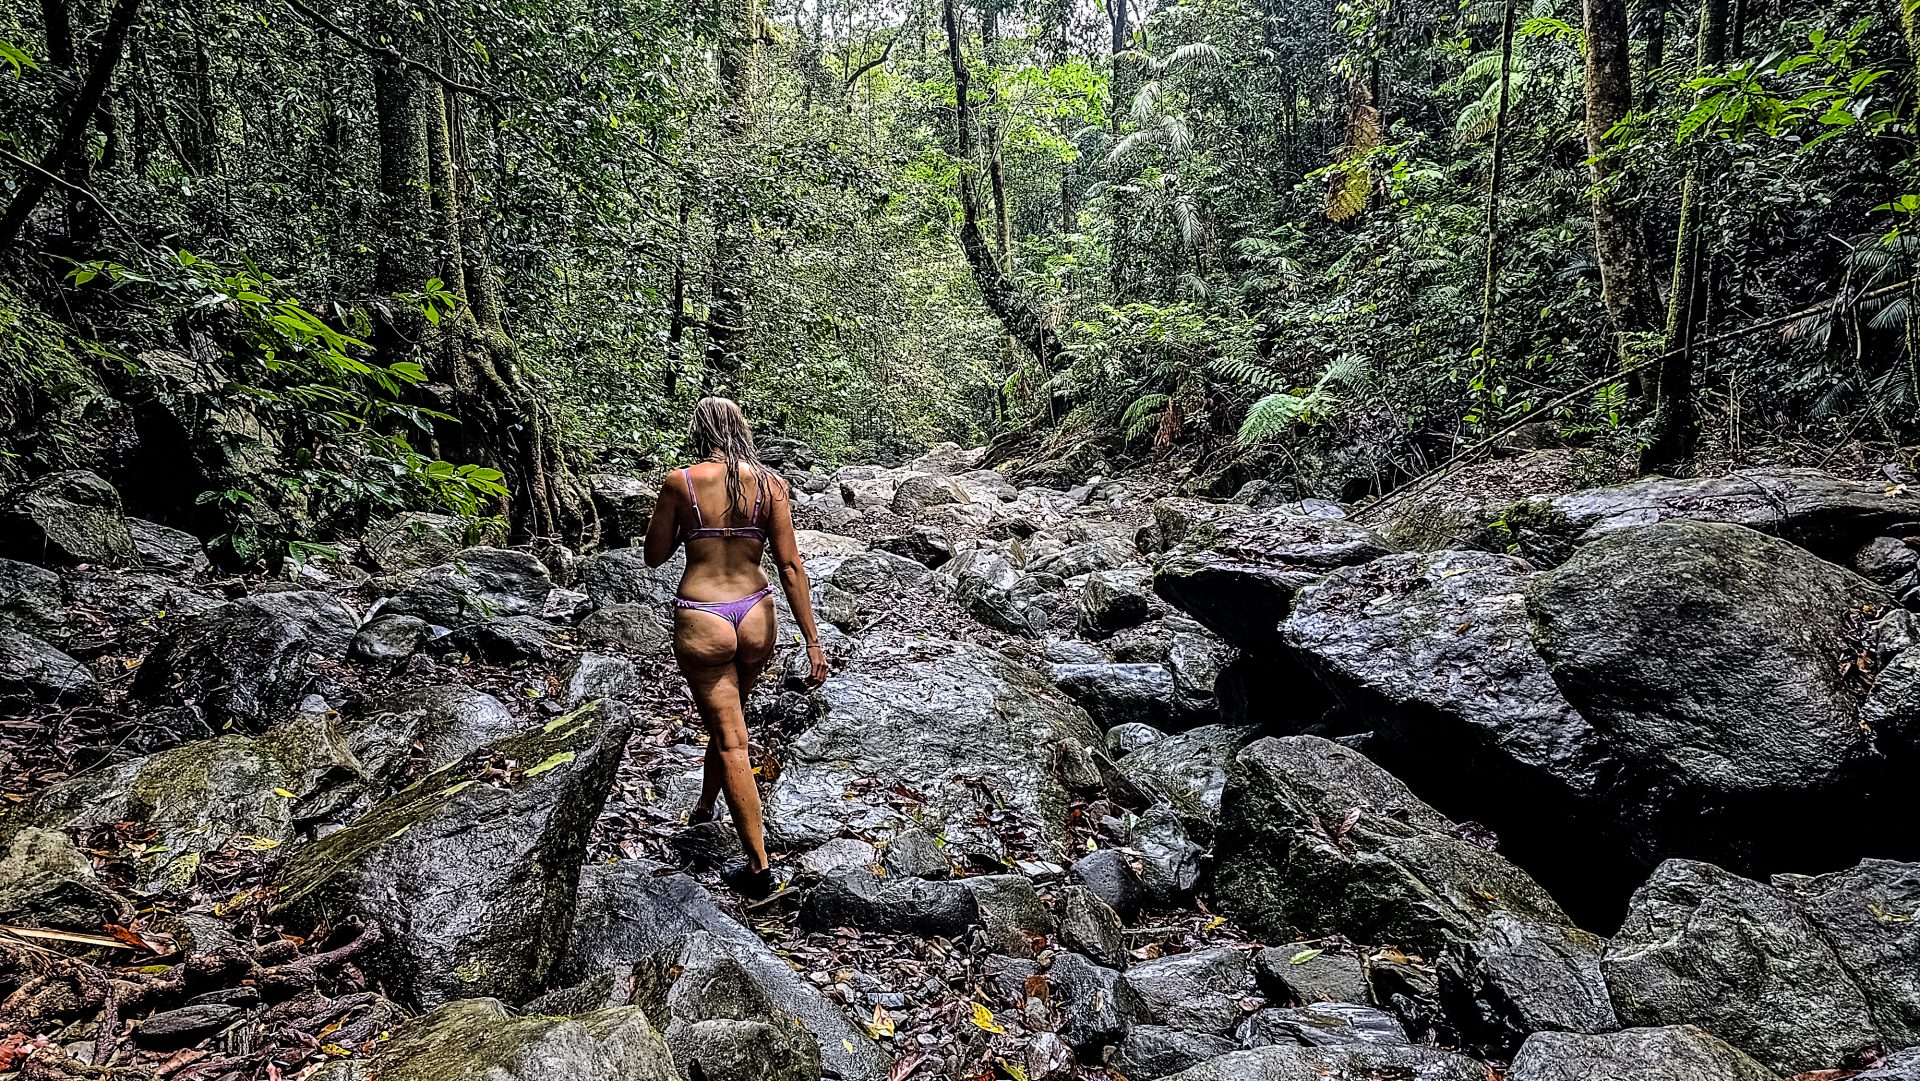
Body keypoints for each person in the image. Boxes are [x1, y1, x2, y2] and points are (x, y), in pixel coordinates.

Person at [644, 397, 829, 899]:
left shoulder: (680, 482)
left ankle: (758, 868)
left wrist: (684, 521)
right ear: (741, 429)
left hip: (704, 615)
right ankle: (706, 807)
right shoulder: (772, 485)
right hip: (756, 614)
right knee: (732, 719)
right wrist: (813, 642)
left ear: (697, 428)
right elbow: (791, 566)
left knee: (731, 739)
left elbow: (654, 557)